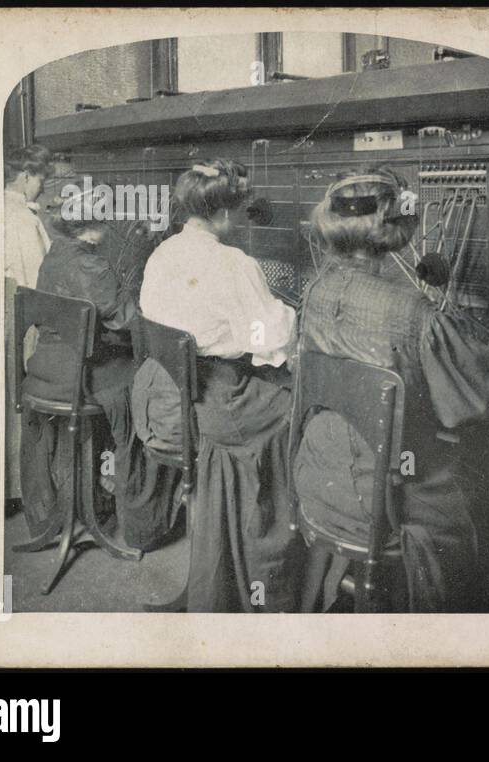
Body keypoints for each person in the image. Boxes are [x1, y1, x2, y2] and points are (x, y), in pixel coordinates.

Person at [292, 167, 489, 612]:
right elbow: (470, 398)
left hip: (316, 476)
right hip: (390, 501)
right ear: (395, 227)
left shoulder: (315, 290)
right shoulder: (415, 311)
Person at [131, 158, 304, 612]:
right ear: (224, 213)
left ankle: (220, 568)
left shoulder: (164, 252)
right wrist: (290, 314)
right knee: (299, 411)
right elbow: (272, 338)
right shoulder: (234, 262)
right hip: (215, 403)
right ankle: (266, 565)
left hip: (160, 398)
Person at [19, 191, 145, 536]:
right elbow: (126, 321)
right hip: (76, 378)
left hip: (43, 366)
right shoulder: (92, 264)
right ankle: (126, 498)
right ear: (92, 228)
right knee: (142, 376)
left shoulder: (56, 253)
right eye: (105, 221)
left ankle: (92, 491)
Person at [4, 144, 54, 516]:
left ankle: (13, 487)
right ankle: (25, 489)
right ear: (24, 177)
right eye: (40, 178)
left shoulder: (4, 208)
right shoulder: (20, 218)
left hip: (6, 310)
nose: (43, 186)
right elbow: (36, 282)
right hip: (19, 313)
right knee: (20, 395)